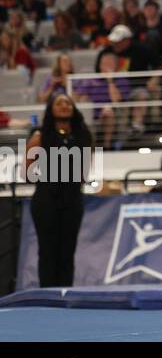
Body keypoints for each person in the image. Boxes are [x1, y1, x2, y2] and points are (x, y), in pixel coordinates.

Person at [25, 94, 95, 287]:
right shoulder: (40, 137)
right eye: (59, 103)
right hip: (46, 198)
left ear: (74, 108)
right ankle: (47, 294)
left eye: (68, 103)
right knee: (47, 250)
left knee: (68, 250)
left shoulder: (83, 134)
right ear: (51, 109)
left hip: (72, 197)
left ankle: (65, 293)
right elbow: (27, 172)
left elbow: (86, 171)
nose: (64, 106)